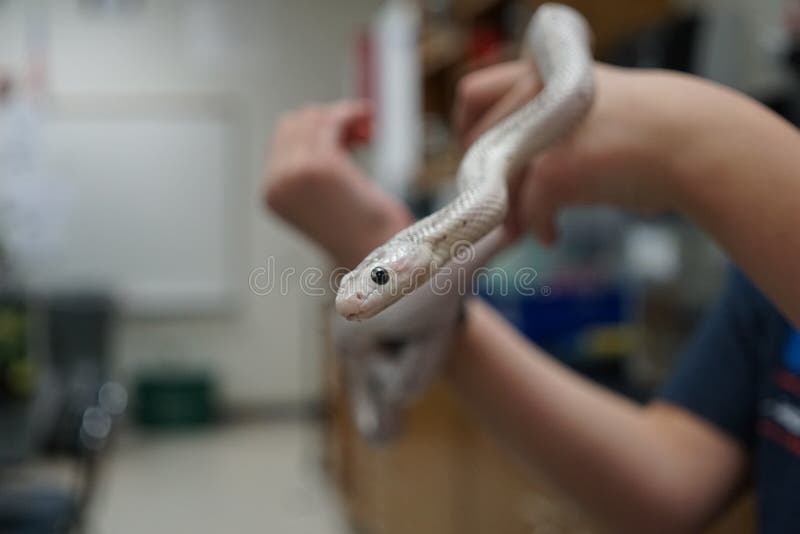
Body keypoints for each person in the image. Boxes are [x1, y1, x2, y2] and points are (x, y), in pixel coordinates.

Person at [264, 61, 800, 533]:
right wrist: (384, 249)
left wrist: (694, 140)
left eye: (378, 275)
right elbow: (669, 491)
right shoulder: (762, 284)